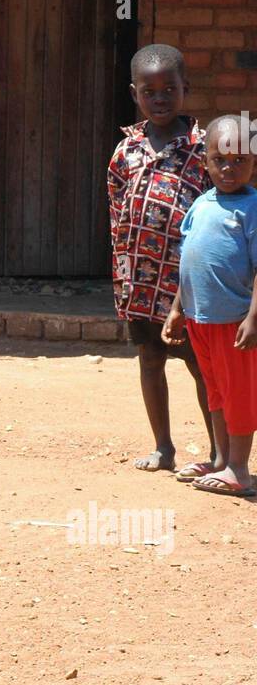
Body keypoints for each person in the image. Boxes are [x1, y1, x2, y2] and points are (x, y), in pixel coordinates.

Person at [107, 43, 212, 476]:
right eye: (150, 92)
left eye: (170, 88)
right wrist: (122, 272)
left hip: (188, 285)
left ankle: (221, 452)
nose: (161, 98)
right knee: (149, 359)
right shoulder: (125, 151)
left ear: (186, 89)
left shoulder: (204, 150)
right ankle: (163, 447)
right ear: (135, 94)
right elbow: (116, 212)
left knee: (200, 365)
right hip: (140, 283)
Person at [162, 115, 257, 496]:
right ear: (205, 162)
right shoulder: (201, 204)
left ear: (254, 162)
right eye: (220, 159)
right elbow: (188, 262)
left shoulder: (251, 208)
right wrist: (176, 309)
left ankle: (240, 469)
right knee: (215, 391)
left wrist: (254, 316)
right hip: (201, 319)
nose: (229, 168)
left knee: (239, 395)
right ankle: (220, 460)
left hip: (234, 322)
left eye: (240, 160)